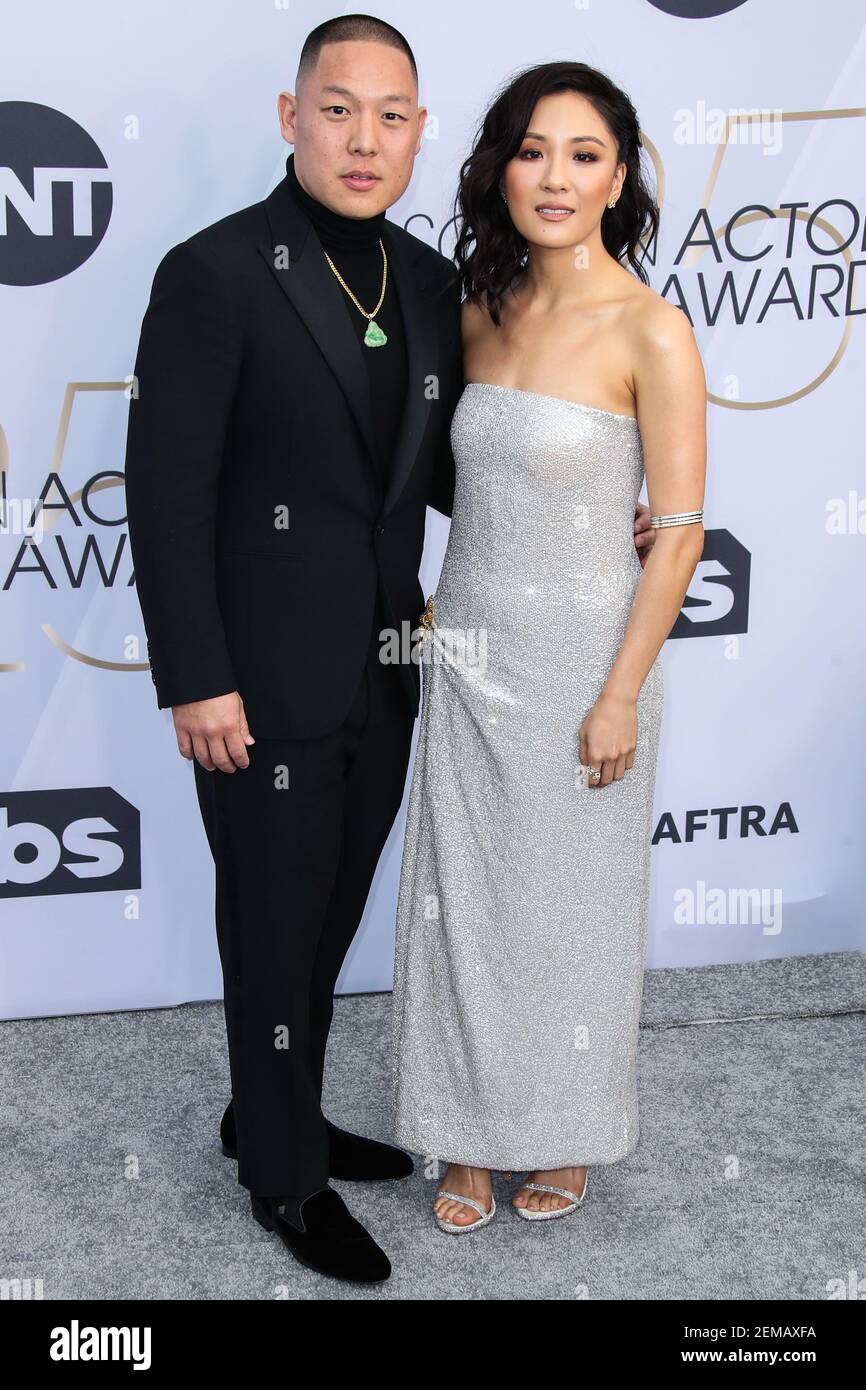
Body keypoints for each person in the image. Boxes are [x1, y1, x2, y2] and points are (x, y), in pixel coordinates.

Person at [125, 17, 656, 1283]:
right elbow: (165, 489)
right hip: (252, 685)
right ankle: (283, 1181)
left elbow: (433, 469)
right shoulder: (213, 273)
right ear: (290, 115)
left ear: (420, 131)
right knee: (271, 919)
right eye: (339, 109)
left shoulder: (428, 283)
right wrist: (196, 674)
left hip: (388, 666)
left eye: (392, 115)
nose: (365, 139)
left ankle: (275, 1111)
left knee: (326, 919)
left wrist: (592, 514)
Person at [391, 60, 706, 1233]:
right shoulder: (474, 310)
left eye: (583, 154)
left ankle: (560, 1125)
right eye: (531, 150)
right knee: (463, 906)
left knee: (568, 912)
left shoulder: (652, 331)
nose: (555, 176)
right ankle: (465, 1135)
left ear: (618, 177)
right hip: (469, 657)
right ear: (499, 169)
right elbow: (446, 481)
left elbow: (675, 538)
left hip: (589, 665)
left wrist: (618, 691)